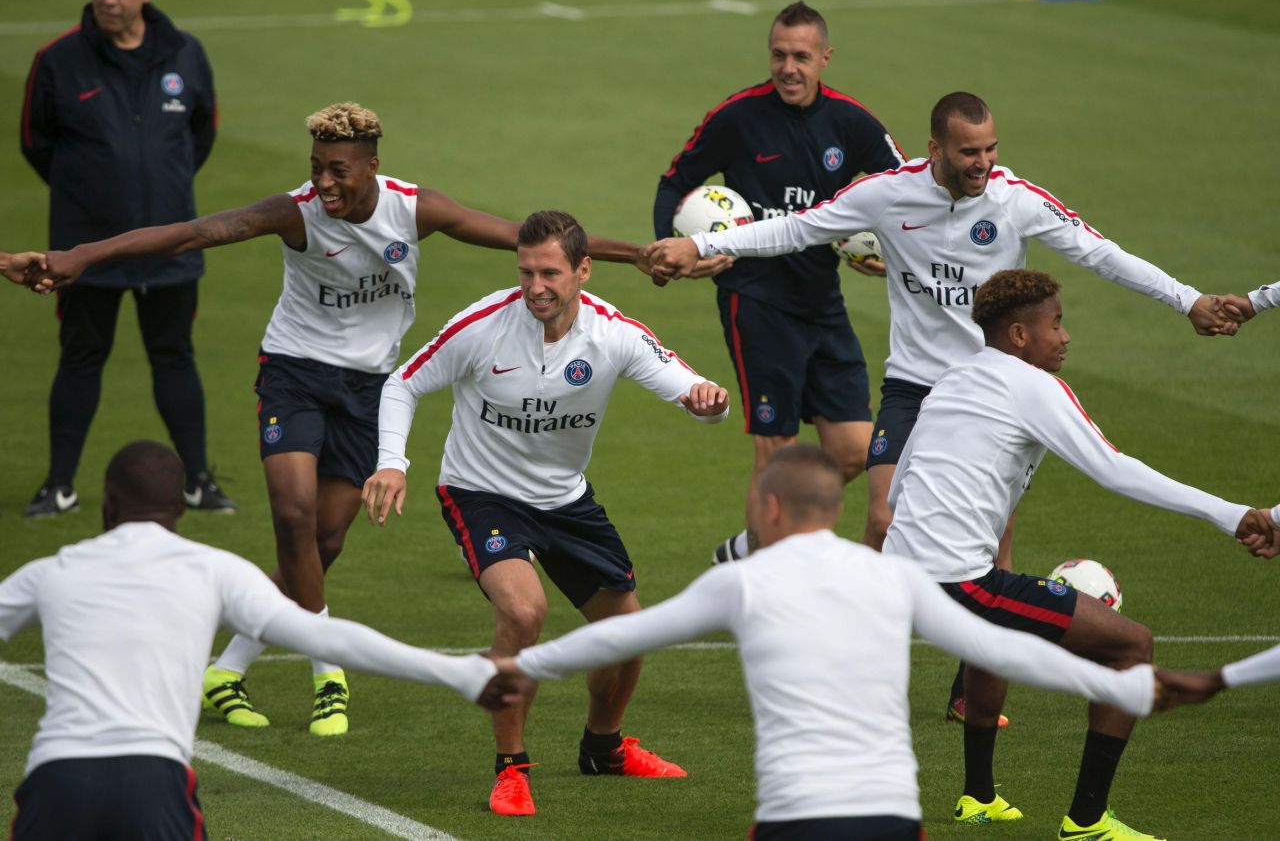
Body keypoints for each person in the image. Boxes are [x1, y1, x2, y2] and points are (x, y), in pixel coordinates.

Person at [23, 103, 655, 738]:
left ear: (373, 167)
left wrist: (641, 255)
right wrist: (79, 257)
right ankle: (330, 674)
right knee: (294, 518)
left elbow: (533, 238)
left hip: (368, 388)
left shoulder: (414, 209)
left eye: (339, 171)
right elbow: (194, 233)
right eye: (317, 168)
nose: (323, 184)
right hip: (295, 373)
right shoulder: (294, 212)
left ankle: (226, 668)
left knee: (323, 543)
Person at [646, 89, 1236, 723]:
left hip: (994, 391)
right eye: (968, 152)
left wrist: (1188, 299)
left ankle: (970, 692)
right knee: (882, 518)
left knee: (992, 542)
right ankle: (849, 672)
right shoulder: (887, 194)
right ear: (934, 149)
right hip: (915, 387)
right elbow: (797, 227)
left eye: (990, 150)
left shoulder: (1016, 200)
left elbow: (1101, 252)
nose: (983, 163)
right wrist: (702, 247)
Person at [475, 445, 1158, 841]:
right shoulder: (896, 577)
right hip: (893, 819)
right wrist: (1118, 682)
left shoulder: (741, 584)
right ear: (837, 508)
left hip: (796, 820)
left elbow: (622, 634)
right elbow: (1005, 650)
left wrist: (518, 664)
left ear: (770, 510)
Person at [880, 269, 1274, 839]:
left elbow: (897, 490)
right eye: (1056, 325)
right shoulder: (1034, 386)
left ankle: (978, 797)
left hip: (899, 573)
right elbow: (1115, 469)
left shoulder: (952, 378)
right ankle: (1088, 821)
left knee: (994, 628)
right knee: (1130, 644)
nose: (1065, 337)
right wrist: (1231, 513)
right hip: (954, 581)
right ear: (1019, 335)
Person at [362, 210, 730, 816]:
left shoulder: (613, 334)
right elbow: (402, 382)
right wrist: (392, 462)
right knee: (523, 609)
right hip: (480, 492)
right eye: (527, 271)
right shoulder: (481, 327)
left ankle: (603, 749)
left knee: (629, 630)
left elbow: (696, 394)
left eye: (551, 273)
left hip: (564, 498)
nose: (536, 287)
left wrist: (706, 402)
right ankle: (511, 768)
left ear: (583, 271)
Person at [0, 440, 510, 841]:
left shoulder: (52, 572)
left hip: (55, 782)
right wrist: (460, 672)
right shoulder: (214, 572)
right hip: (152, 785)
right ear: (181, 506)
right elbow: (332, 638)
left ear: (108, 507)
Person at [652, 1, 905, 565]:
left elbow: (910, 190)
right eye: (779, 55)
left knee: (857, 451)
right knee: (777, 454)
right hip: (757, 302)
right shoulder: (739, 118)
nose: (788, 68)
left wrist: (897, 253)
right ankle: (765, 582)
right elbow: (675, 182)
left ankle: (747, 550)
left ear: (824, 59)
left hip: (823, 302)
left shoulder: (852, 123)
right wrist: (673, 252)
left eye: (801, 57)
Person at [20, 0, 234, 517]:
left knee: (175, 357)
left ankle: (199, 482)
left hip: (172, 246)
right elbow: (35, 142)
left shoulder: (185, 52)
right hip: (85, 250)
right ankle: (59, 485)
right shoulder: (57, 60)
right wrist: (93, 193)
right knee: (80, 359)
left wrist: (162, 189)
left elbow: (200, 135)